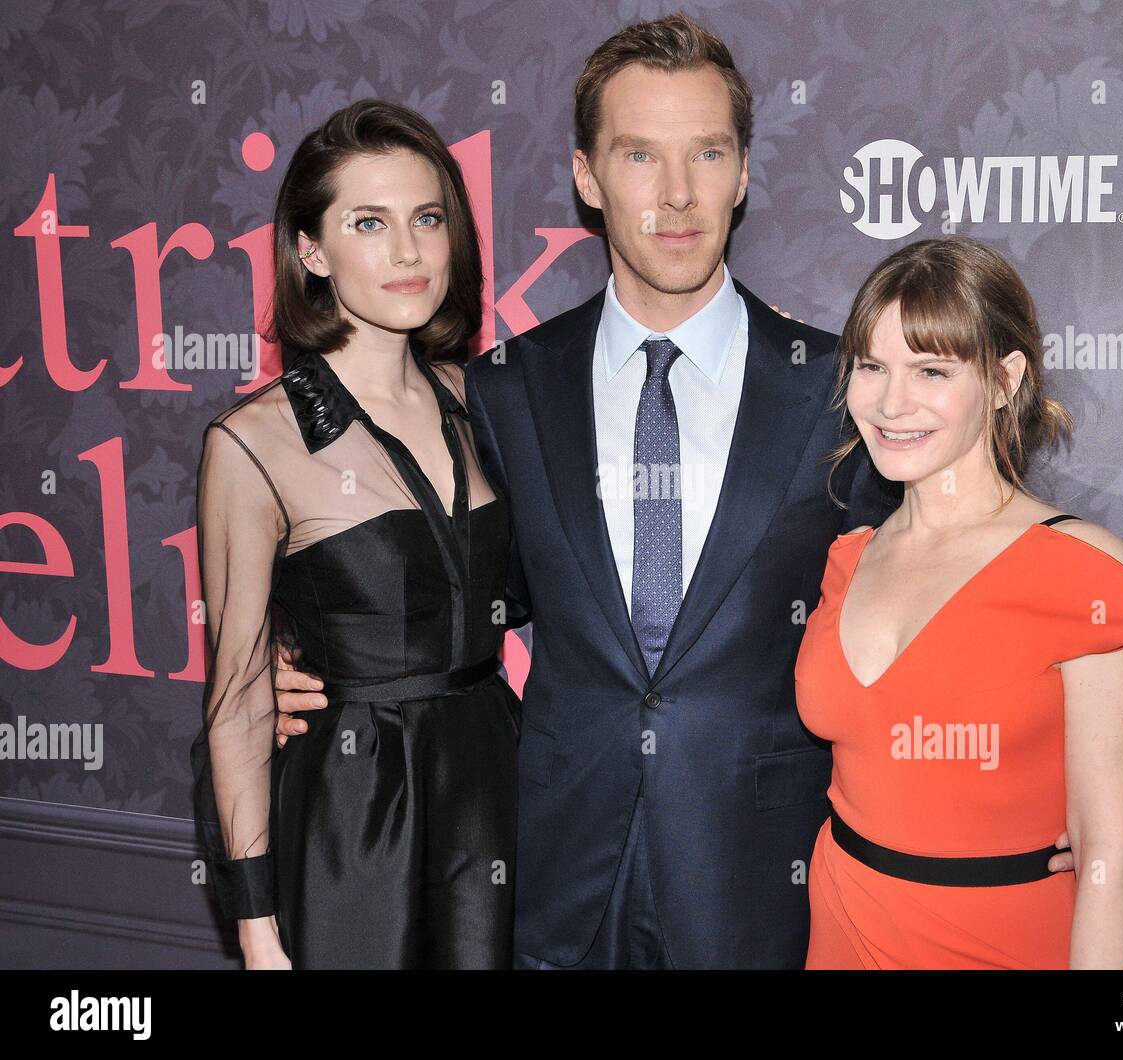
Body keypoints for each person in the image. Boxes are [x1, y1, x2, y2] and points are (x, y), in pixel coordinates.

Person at [274, 17, 1076, 969]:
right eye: (639, 156)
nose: (678, 194)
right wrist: (335, 672)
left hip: (762, 877)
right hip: (552, 871)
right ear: (587, 178)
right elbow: (467, 591)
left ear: (742, 173)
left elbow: (939, 584)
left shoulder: (839, 389)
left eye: (708, 152)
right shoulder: (505, 388)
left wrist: (1033, 779)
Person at [795, 236, 1123, 969]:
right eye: (872, 367)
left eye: (932, 370)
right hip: (843, 924)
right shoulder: (850, 558)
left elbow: (1109, 860)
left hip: (999, 942)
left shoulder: (1083, 571)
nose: (890, 403)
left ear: (1005, 380)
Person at [190, 98, 519, 969]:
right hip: (352, 806)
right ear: (310, 250)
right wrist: (258, 933)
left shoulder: (478, 399)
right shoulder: (254, 442)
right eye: (368, 223)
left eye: (427, 218)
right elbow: (235, 705)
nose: (408, 252)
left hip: (496, 787)